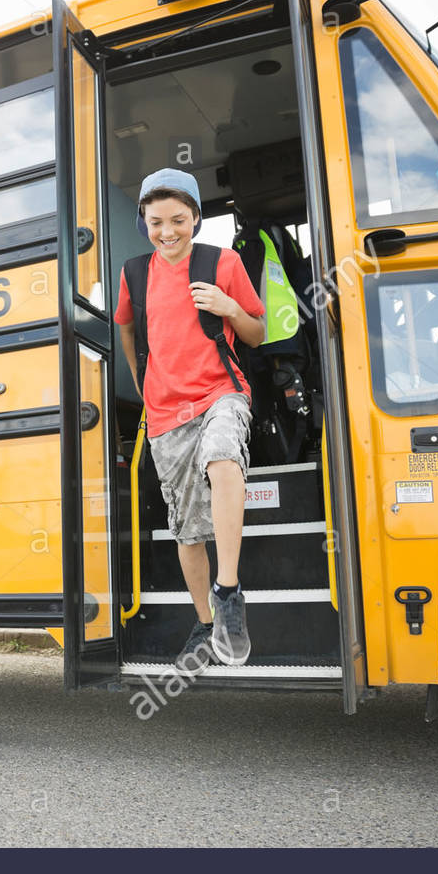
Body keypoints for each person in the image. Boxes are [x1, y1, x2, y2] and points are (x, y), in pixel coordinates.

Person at [113, 168, 266, 669]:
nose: (168, 231)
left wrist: (228, 307)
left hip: (220, 394)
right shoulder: (134, 273)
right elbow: (129, 332)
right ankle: (205, 622)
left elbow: (258, 332)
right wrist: (146, 389)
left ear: (197, 218)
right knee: (187, 532)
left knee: (224, 459)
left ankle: (228, 592)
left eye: (178, 219)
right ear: (145, 222)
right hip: (165, 414)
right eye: (156, 222)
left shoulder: (222, 262)